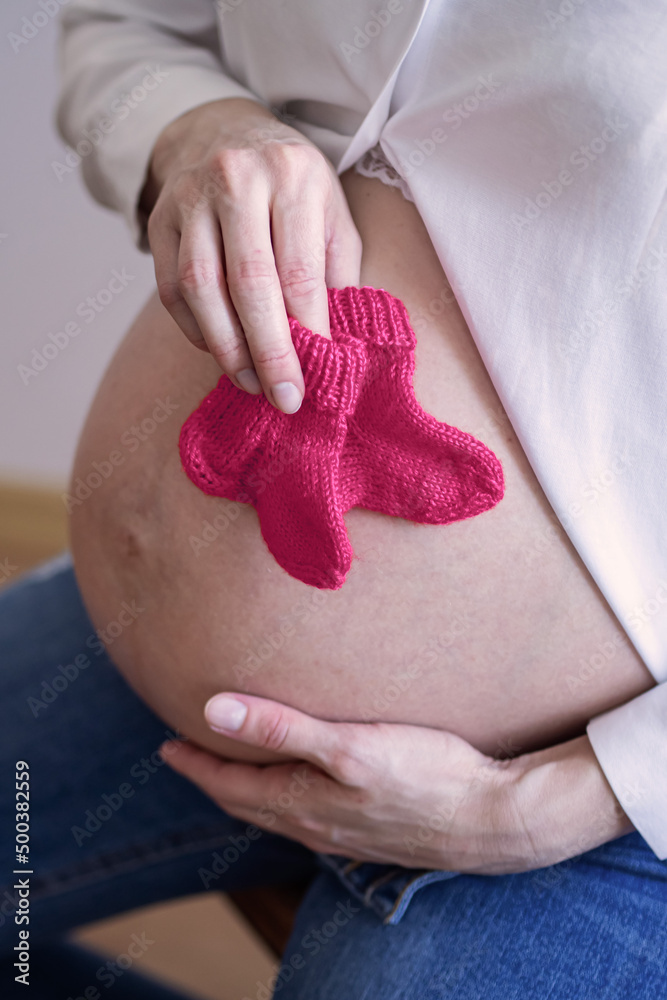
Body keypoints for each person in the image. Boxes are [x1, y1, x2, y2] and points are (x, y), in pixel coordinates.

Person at [1, 1, 666, 997]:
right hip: (152, 655)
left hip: (588, 795)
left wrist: (577, 794)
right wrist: (196, 126)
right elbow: (124, 24)